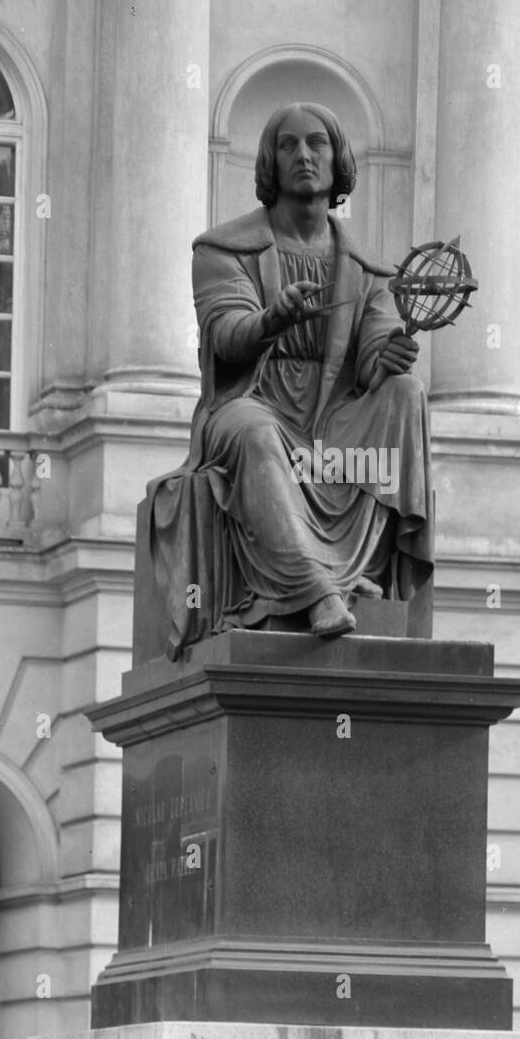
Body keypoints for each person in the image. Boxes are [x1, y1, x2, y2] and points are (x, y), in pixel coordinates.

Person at [147, 101, 434, 659]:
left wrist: (387, 357)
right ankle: (316, 589)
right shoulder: (221, 249)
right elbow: (225, 334)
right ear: (269, 164)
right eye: (288, 145)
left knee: (406, 394)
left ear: (337, 161)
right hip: (250, 401)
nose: (303, 155)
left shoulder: (371, 268)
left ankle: (361, 573)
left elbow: (372, 355)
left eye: (316, 143)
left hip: (334, 420)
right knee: (256, 431)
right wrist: (272, 319)